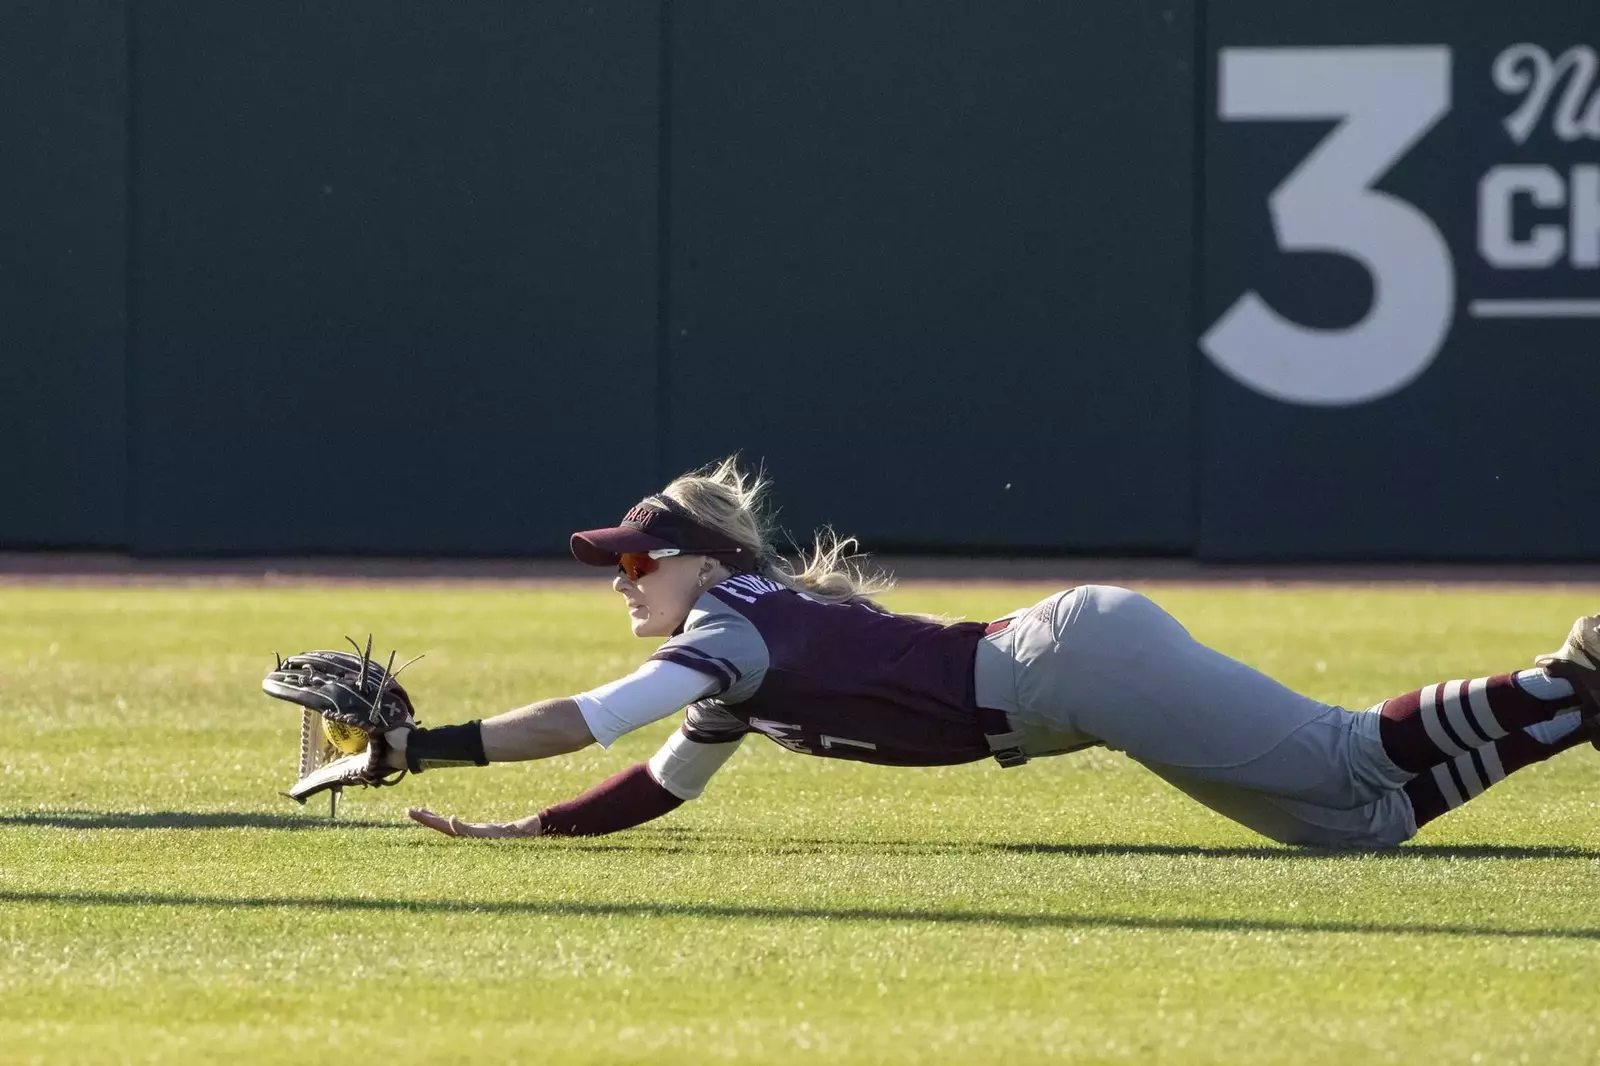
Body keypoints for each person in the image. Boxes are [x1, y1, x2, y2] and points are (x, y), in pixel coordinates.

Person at [360, 458, 1597, 849]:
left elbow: (593, 718)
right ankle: (1578, 713)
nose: (624, 583)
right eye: (617, 567)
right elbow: (658, 782)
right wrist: (530, 833)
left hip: (1074, 662)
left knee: (1337, 761)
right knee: (1352, 828)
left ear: (692, 559)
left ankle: (1566, 672)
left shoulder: (726, 623)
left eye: (636, 561)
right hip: (1066, 687)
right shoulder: (737, 648)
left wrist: (428, 749)